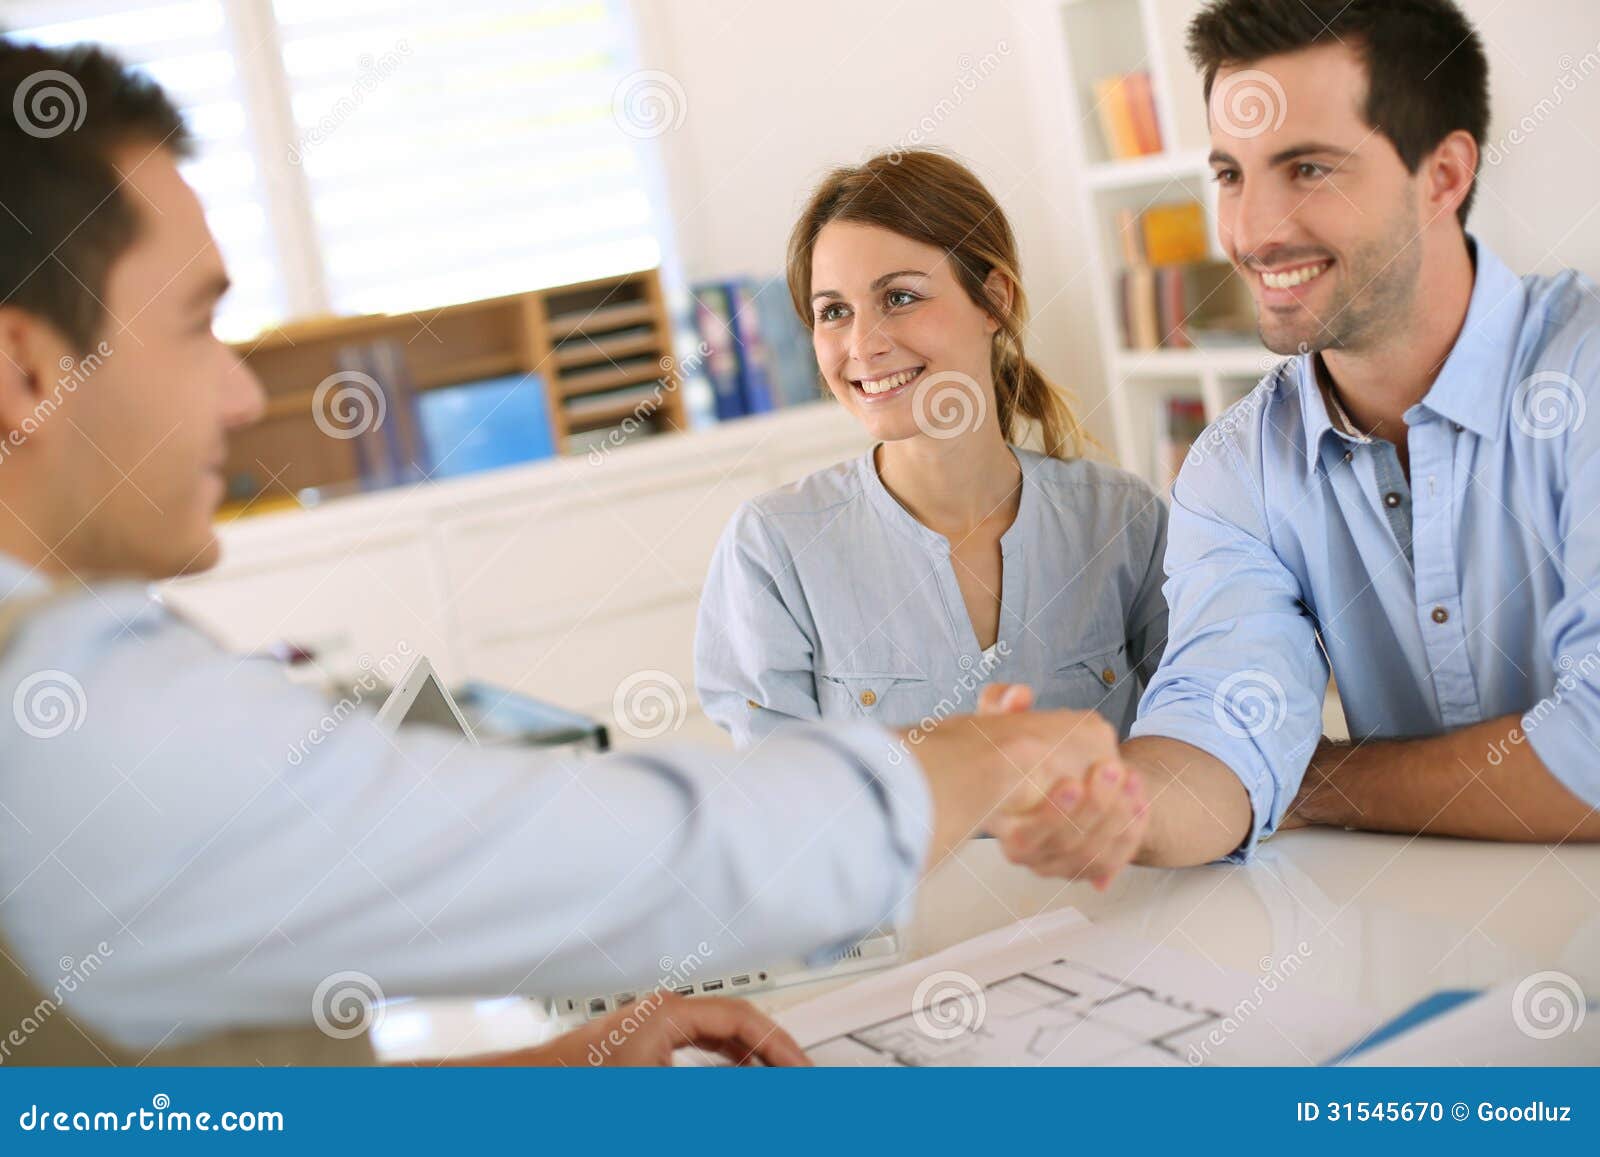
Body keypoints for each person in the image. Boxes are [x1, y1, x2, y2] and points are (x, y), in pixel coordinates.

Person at [0, 39, 1126, 1066]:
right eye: (200, 323)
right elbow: (664, 857)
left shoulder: (1118, 517)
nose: (246, 391)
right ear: (28, 368)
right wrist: (987, 753)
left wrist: (541, 1074)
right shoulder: (70, 716)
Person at [987, 0, 1600, 880]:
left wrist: (1304, 778)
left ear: (1444, 174)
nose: (1252, 231)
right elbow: (1218, 723)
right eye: (1230, 175)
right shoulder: (1237, 467)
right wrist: (1113, 804)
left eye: (1307, 168)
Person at [695, 151, 1168, 767]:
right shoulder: (774, 547)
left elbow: (1194, 754)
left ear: (993, 301)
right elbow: (788, 814)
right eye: (833, 311)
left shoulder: (1123, 523)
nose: (863, 345)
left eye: (899, 297)